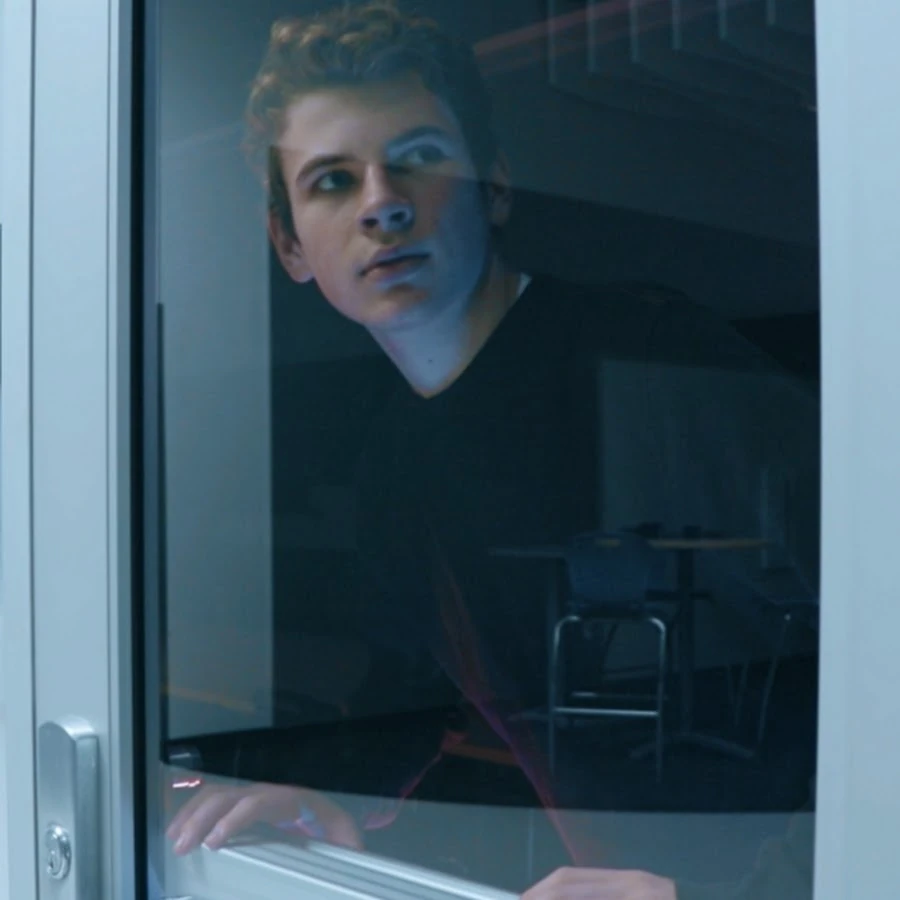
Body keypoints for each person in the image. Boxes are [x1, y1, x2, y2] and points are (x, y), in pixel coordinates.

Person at [165, 2, 817, 897]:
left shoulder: (657, 362)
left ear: (495, 187)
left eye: (419, 159)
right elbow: (414, 693)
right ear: (289, 244)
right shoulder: (393, 463)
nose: (382, 204)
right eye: (333, 181)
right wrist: (323, 793)